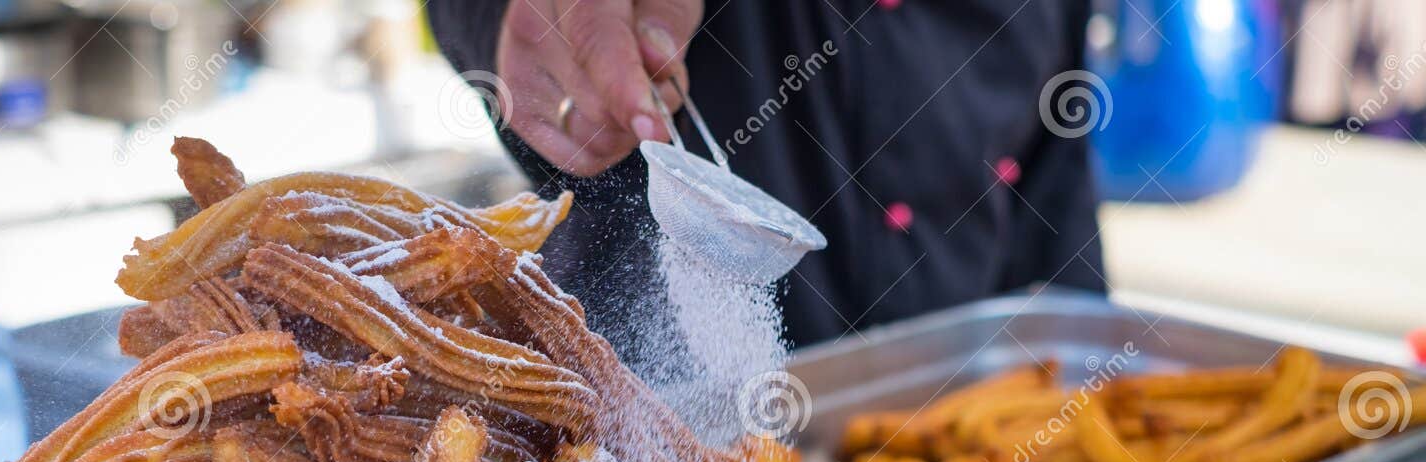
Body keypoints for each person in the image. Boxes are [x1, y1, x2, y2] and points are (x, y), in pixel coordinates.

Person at [425, 0, 1106, 353]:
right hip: (646, 437)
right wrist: (515, 20)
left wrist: (1084, 353)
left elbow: (1057, 182)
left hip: (970, 417)